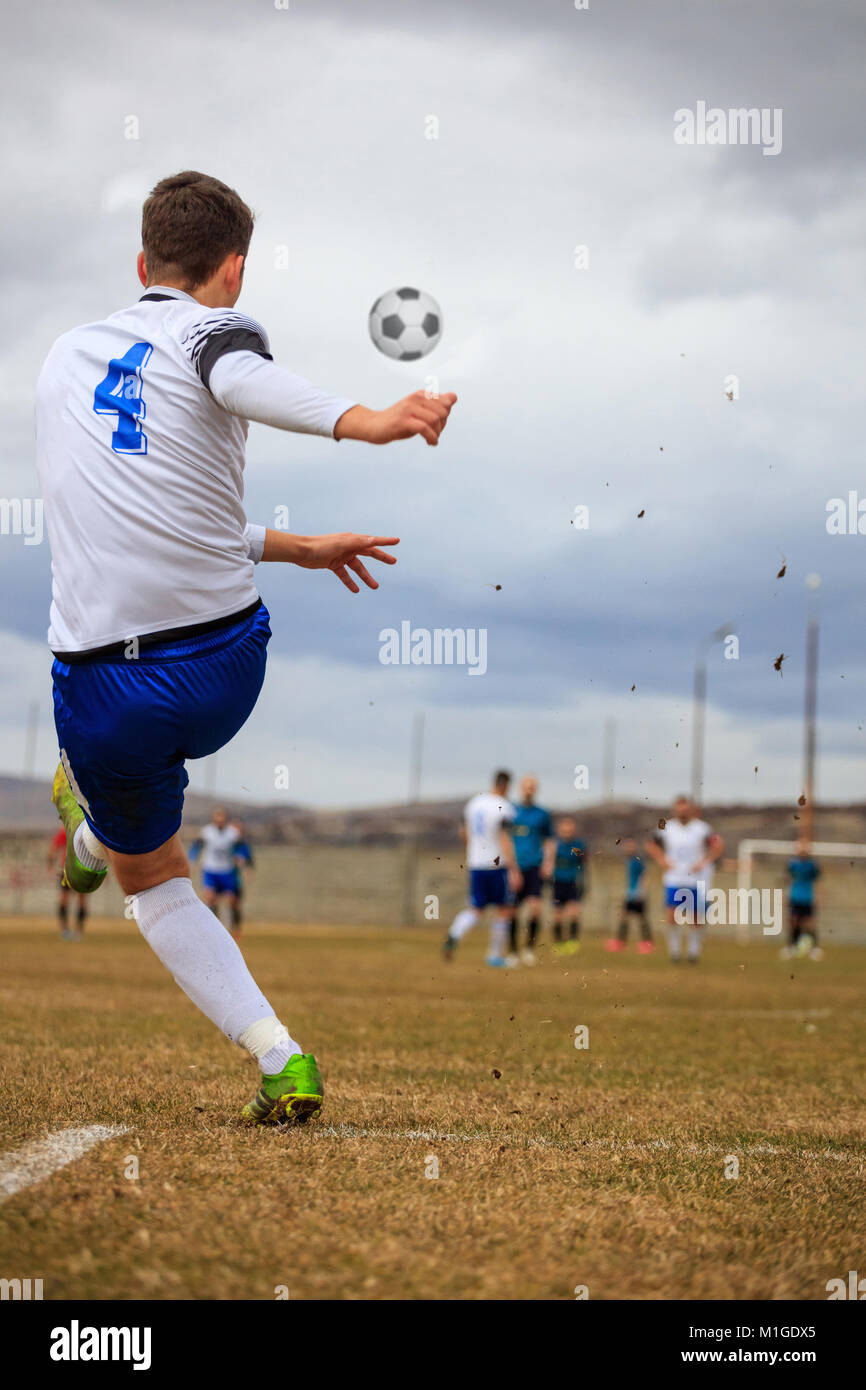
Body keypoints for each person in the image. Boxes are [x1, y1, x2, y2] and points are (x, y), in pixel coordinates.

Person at [36, 170, 456, 1127]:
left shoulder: (62, 358)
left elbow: (131, 503)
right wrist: (367, 426)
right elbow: (234, 387)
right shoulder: (218, 328)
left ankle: (281, 1056)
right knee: (133, 807)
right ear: (232, 270)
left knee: (151, 878)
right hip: (230, 666)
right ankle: (96, 825)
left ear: (142, 263)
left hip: (106, 686)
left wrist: (363, 424)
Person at [442, 771, 521, 967]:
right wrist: (514, 868)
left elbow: (464, 832)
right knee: (504, 909)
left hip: (476, 863)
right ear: (506, 786)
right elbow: (504, 838)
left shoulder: (474, 803)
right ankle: (495, 956)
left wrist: (472, 851)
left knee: (476, 908)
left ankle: (454, 934)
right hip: (497, 864)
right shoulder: (504, 807)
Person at [644, 796, 723, 964]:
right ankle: (675, 951)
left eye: (685, 810)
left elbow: (717, 845)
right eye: (679, 810)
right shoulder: (667, 827)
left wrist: (705, 862)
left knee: (695, 917)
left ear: (690, 810)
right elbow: (650, 844)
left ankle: (694, 951)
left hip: (695, 878)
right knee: (672, 915)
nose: (682, 813)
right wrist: (662, 860)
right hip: (674, 878)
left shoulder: (702, 828)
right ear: (674, 810)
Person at [509, 775, 555, 965]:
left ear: (536, 789)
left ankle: (529, 949)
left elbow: (550, 840)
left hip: (534, 866)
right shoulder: (511, 811)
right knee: (512, 910)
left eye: (533, 787)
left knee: (535, 908)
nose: (529, 790)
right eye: (526, 786)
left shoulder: (542, 814)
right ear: (520, 788)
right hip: (514, 867)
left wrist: (549, 862)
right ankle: (512, 951)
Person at [188, 808, 250, 937]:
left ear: (225, 819)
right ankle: (215, 927)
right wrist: (193, 860)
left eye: (222, 818)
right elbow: (196, 846)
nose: (219, 821)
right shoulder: (206, 832)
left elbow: (243, 847)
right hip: (210, 870)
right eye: (217, 818)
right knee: (210, 898)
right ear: (214, 819)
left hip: (227, 871)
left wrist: (241, 857)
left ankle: (235, 928)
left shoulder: (232, 833)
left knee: (232, 900)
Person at [543, 815, 587, 956]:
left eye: (570, 828)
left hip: (573, 881)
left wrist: (584, 880)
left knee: (575, 912)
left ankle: (573, 942)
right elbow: (547, 862)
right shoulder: (554, 844)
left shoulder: (579, 845)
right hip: (557, 881)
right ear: (560, 829)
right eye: (565, 828)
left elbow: (583, 863)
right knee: (558, 914)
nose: (567, 830)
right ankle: (558, 942)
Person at [606, 837, 653, 953]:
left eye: (630, 846)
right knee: (625, 917)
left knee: (641, 918)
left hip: (636, 894)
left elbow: (645, 875)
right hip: (630, 894)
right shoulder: (630, 860)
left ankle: (646, 943)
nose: (627, 848)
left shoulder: (637, 861)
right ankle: (621, 941)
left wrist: (641, 891)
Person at [47, 826, 89, 940]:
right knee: (64, 900)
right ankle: (65, 930)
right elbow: (54, 848)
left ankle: (79, 931)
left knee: (81, 900)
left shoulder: (87, 829)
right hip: (67, 870)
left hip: (83, 870)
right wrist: (50, 865)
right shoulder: (66, 830)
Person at [782, 841, 822, 960]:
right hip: (795, 896)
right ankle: (792, 947)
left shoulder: (812, 865)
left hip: (808, 897)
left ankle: (814, 948)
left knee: (810, 923)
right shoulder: (792, 864)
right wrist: (785, 894)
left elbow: (817, 881)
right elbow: (788, 879)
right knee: (793, 922)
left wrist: (819, 895)